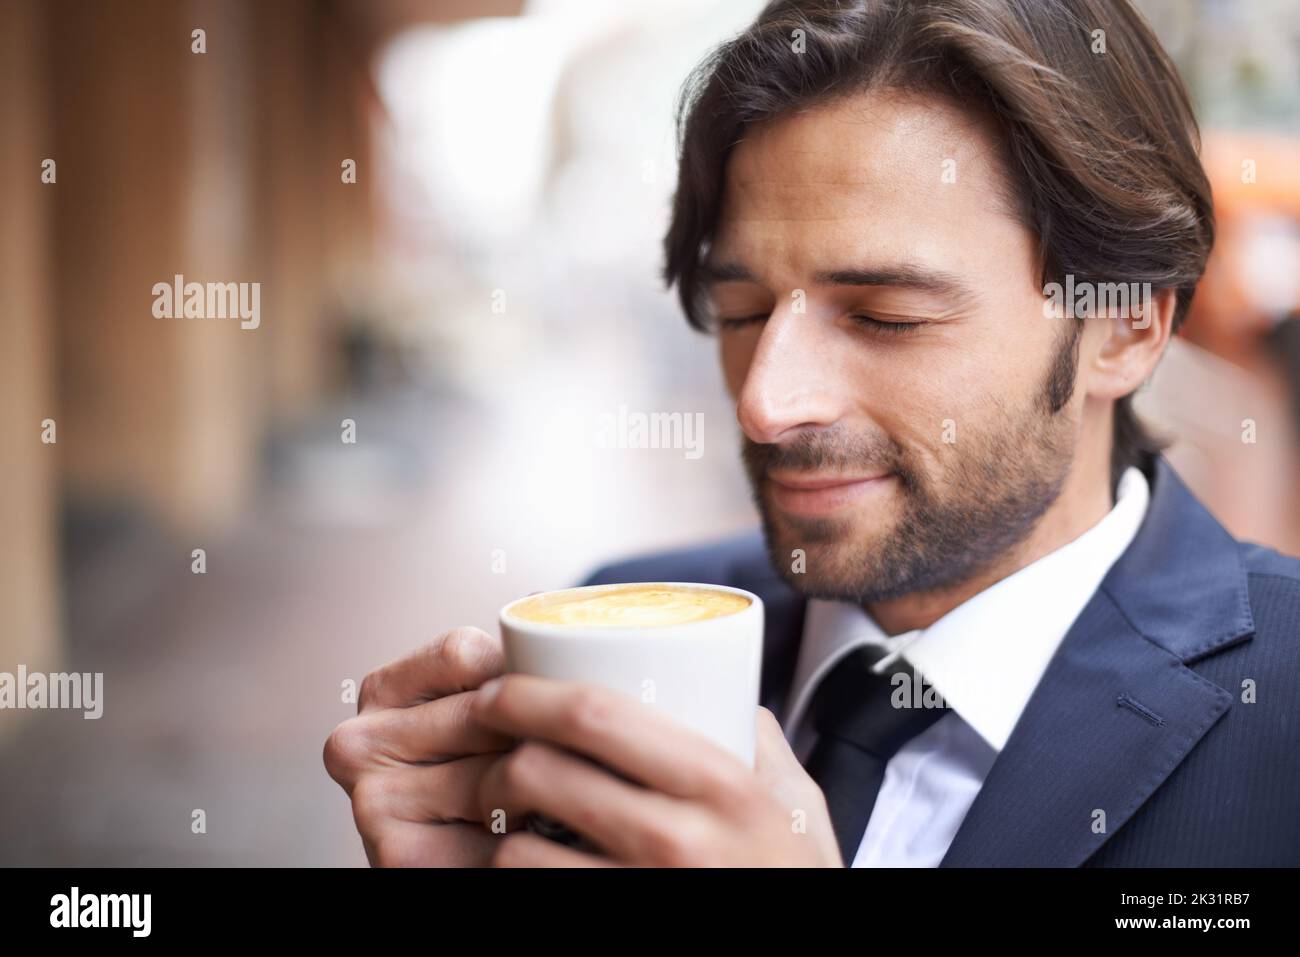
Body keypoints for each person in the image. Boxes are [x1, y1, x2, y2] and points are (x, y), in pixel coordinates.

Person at [324, 0, 1300, 867]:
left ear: (1125, 328)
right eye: (742, 312)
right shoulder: (619, 632)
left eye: (884, 317)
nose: (765, 403)